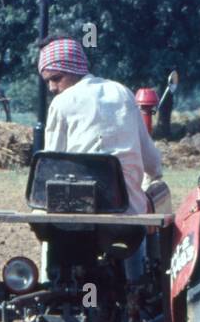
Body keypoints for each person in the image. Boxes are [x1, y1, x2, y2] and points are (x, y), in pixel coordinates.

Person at [38, 35, 167, 221]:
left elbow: (51, 166)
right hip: (129, 217)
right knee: (141, 235)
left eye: (56, 78)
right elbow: (152, 162)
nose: (51, 87)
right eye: (47, 81)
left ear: (74, 68)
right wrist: (153, 176)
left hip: (76, 217)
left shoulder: (61, 103)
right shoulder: (123, 93)